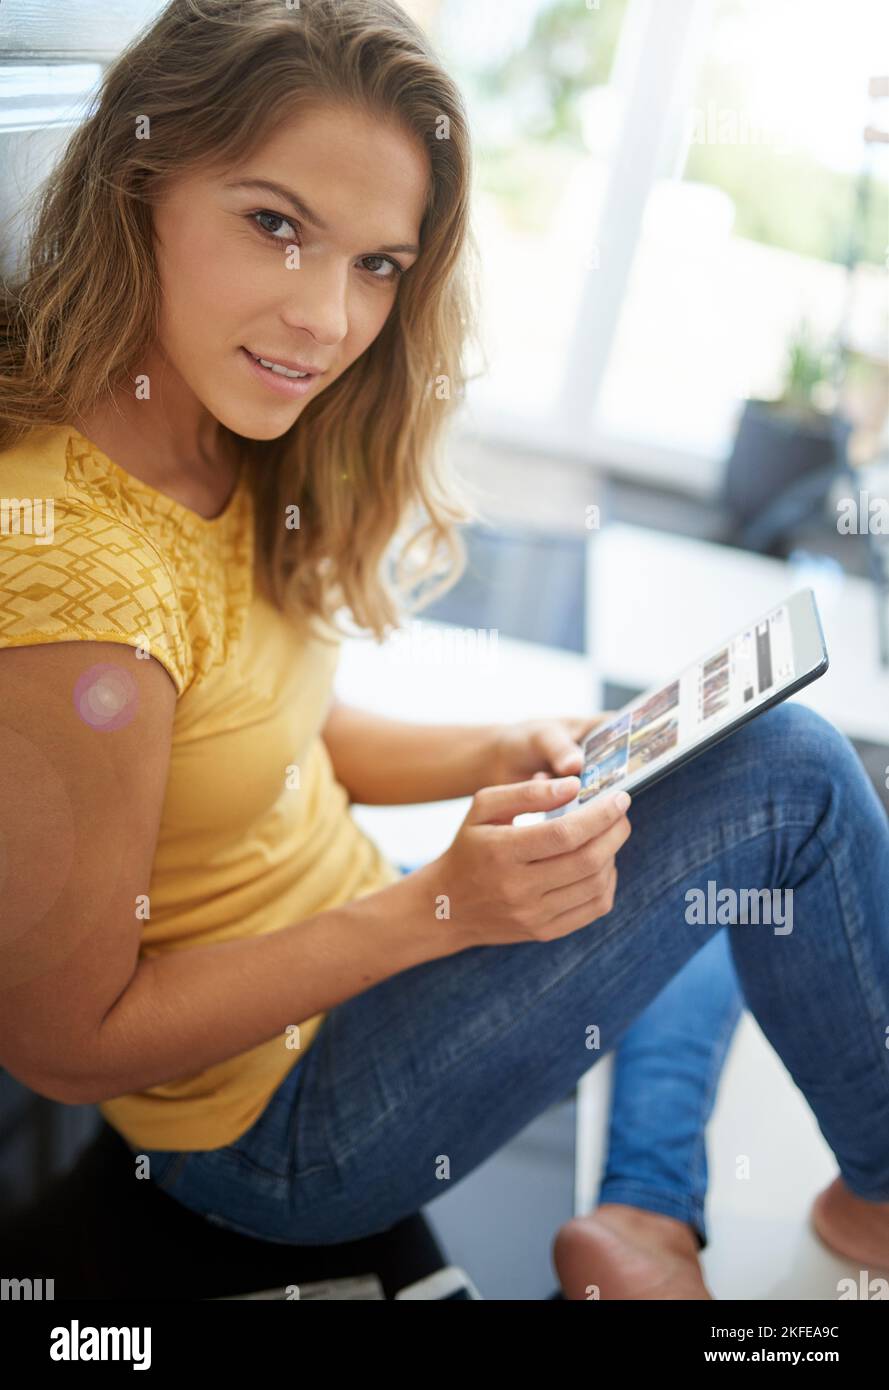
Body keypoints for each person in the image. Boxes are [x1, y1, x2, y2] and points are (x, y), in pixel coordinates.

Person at [1, 0, 887, 1301]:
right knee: (794, 781)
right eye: (275, 224)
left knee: (688, 855)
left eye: (376, 264)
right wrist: (435, 910)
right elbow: (66, 1043)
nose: (326, 317)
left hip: (343, 924)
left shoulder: (206, 425)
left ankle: (645, 1217)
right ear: (141, 179)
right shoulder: (73, 578)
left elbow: (272, 733)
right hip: (268, 1129)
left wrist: (497, 752)